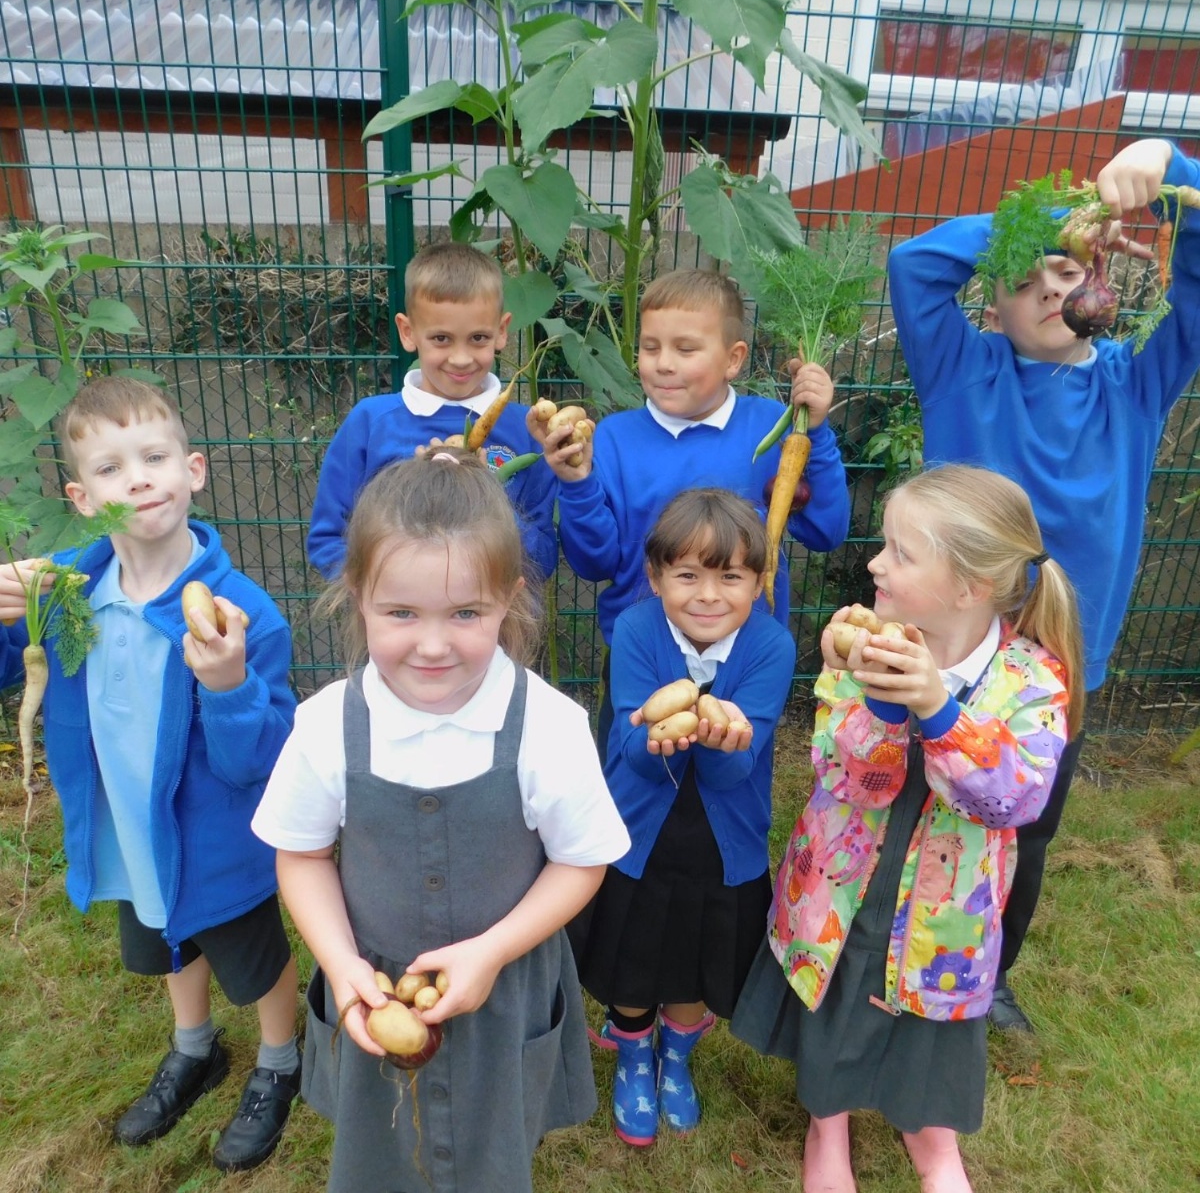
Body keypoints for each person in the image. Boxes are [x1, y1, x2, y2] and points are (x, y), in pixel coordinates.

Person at [880, 136, 1200, 1031]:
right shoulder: (961, 368)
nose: (1054, 291)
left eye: (1067, 272)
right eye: (1028, 281)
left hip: (1059, 665)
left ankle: (991, 970)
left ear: (1099, 285)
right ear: (993, 306)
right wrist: (1047, 222)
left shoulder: (1135, 391)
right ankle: (878, 944)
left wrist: (1169, 169)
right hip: (942, 649)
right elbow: (915, 264)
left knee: (1024, 824)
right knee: (913, 803)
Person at [252, 450, 629, 1193]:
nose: (433, 644)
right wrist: (339, 964)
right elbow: (300, 857)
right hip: (373, 990)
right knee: (376, 1156)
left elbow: (582, 861)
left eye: (465, 613)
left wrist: (490, 952)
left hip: (503, 992)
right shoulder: (327, 724)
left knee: (495, 1149)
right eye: (401, 613)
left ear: (508, 600)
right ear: (358, 598)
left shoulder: (548, 726)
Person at [731, 464, 1083, 1193]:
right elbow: (842, 772)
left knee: (927, 1010)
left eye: (899, 552)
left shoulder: (1035, 679)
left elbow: (1011, 802)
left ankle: (929, 1129)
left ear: (968, 585)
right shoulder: (867, 646)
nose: (873, 563)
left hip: (946, 909)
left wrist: (942, 712)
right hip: (845, 878)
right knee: (843, 977)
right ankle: (828, 1120)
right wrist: (887, 704)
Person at [0, 376, 300, 1173]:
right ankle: (193, 1049)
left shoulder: (242, 613)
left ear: (193, 470)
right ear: (81, 495)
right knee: (166, 937)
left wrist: (229, 684)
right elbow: (14, 668)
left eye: (154, 456)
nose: (136, 478)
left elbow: (258, 762)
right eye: (109, 468)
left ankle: (279, 1061)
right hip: (126, 821)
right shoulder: (65, 591)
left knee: (251, 952)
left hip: (216, 835)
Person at [530, 267, 850, 761]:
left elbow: (827, 530)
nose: (662, 364)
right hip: (641, 650)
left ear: (733, 359)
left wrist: (819, 431)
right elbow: (596, 564)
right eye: (650, 347)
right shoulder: (614, 438)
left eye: (685, 349)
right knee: (632, 773)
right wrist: (576, 485)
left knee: (731, 782)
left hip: (745, 652)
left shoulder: (773, 427)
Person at [569, 488, 796, 1147]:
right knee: (636, 953)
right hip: (642, 834)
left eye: (730, 577)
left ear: (759, 582)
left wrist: (723, 739)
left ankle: (678, 1052)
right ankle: (635, 1050)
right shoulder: (637, 631)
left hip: (724, 841)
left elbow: (732, 772)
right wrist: (658, 737)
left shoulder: (771, 647)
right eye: (687, 575)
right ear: (655, 577)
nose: (707, 595)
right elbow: (631, 754)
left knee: (700, 958)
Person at [306, 240, 557, 582]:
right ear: (408, 333)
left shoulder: (526, 430)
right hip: (396, 628)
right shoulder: (370, 423)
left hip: (493, 629)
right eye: (441, 339)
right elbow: (327, 540)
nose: (461, 358)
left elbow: (542, 560)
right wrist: (380, 596)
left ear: (501, 332)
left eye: (478, 338)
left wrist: (486, 492)